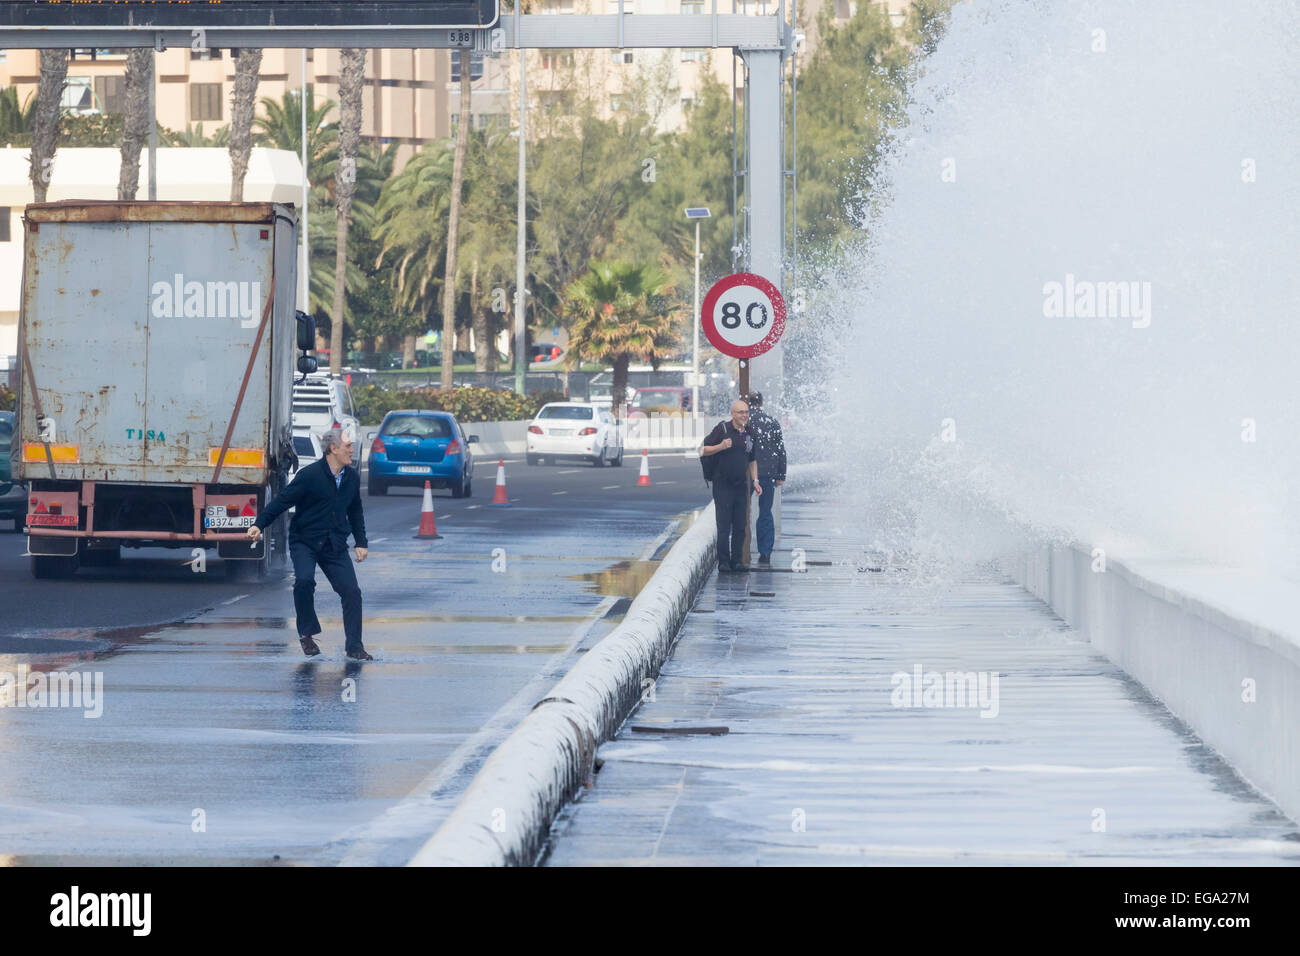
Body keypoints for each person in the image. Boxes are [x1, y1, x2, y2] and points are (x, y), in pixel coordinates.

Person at [246, 428, 373, 660]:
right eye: (348, 447)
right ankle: (307, 634)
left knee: (352, 592)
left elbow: (355, 511)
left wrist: (361, 542)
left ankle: (354, 646)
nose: (352, 451)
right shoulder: (310, 475)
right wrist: (259, 524)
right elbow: (282, 501)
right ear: (333, 448)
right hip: (304, 541)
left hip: (334, 544)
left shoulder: (351, 478)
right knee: (304, 581)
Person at [701, 398, 762, 572]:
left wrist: (756, 481)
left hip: (741, 485)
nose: (744, 415)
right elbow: (703, 449)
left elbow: (752, 460)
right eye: (740, 412)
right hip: (723, 485)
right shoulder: (722, 429)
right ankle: (724, 562)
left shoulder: (750, 433)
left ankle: (736, 561)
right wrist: (720, 446)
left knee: (740, 525)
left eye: (746, 412)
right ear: (732, 414)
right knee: (724, 525)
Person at [745, 392, 787, 565]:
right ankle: (765, 552)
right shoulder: (771, 422)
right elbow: (780, 449)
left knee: (742, 511)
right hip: (766, 474)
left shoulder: (744, 421)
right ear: (761, 403)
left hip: (746, 473)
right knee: (765, 512)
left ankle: (742, 551)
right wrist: (780, 474)